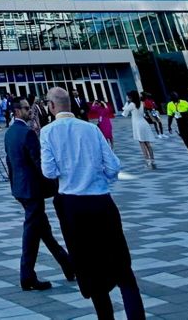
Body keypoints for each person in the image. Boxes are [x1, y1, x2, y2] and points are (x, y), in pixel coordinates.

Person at [40, 87, 145, 319]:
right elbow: (113, 165)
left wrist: (69, 173)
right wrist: (96, 177)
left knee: (90, 270)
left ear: (51, 106)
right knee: (122, 268)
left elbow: (48, 171)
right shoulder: (90, 129)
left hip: (73, 207)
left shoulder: (48, 132)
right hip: (101, 202)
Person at [6, 96, 74, 291]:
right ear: (17, 111)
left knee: (43, 230)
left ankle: (68, 265)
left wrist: (14, 187)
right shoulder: (27, 133)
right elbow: (39, 163)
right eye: (27, 108)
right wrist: (54, 186)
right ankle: (26, 275)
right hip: (32, 190)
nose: (30, 111)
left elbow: (10, 163)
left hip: (21, 188)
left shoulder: (10, 133)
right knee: (31, 233)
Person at [119, 91, 157, 170]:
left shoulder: (132, 104)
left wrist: (127, 102)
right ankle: (152, 160)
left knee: (142, 144)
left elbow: (124, 111)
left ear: (131, 97)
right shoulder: (142, 103)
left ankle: (147, 162)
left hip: (137, 125)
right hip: (144, 123)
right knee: (148, 143)